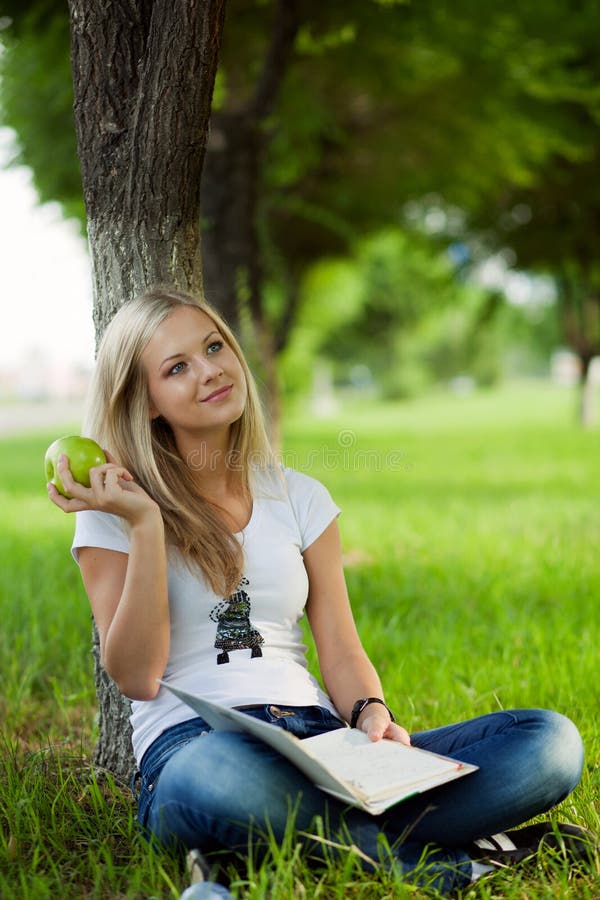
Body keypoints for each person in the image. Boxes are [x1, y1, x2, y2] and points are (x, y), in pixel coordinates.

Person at [48, 287, 594, 894]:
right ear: (147, 402)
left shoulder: (300, 496)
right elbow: (135, 678)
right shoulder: (114, 509)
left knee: (548, 744)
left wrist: (370, 713)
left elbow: (338, 645)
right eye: (177, 368)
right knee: (224, 775)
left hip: (325, 746)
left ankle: (275, 850)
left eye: (213, 347)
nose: (210, 371)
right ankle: (433, 864)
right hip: (197, 751)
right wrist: (145, 525)